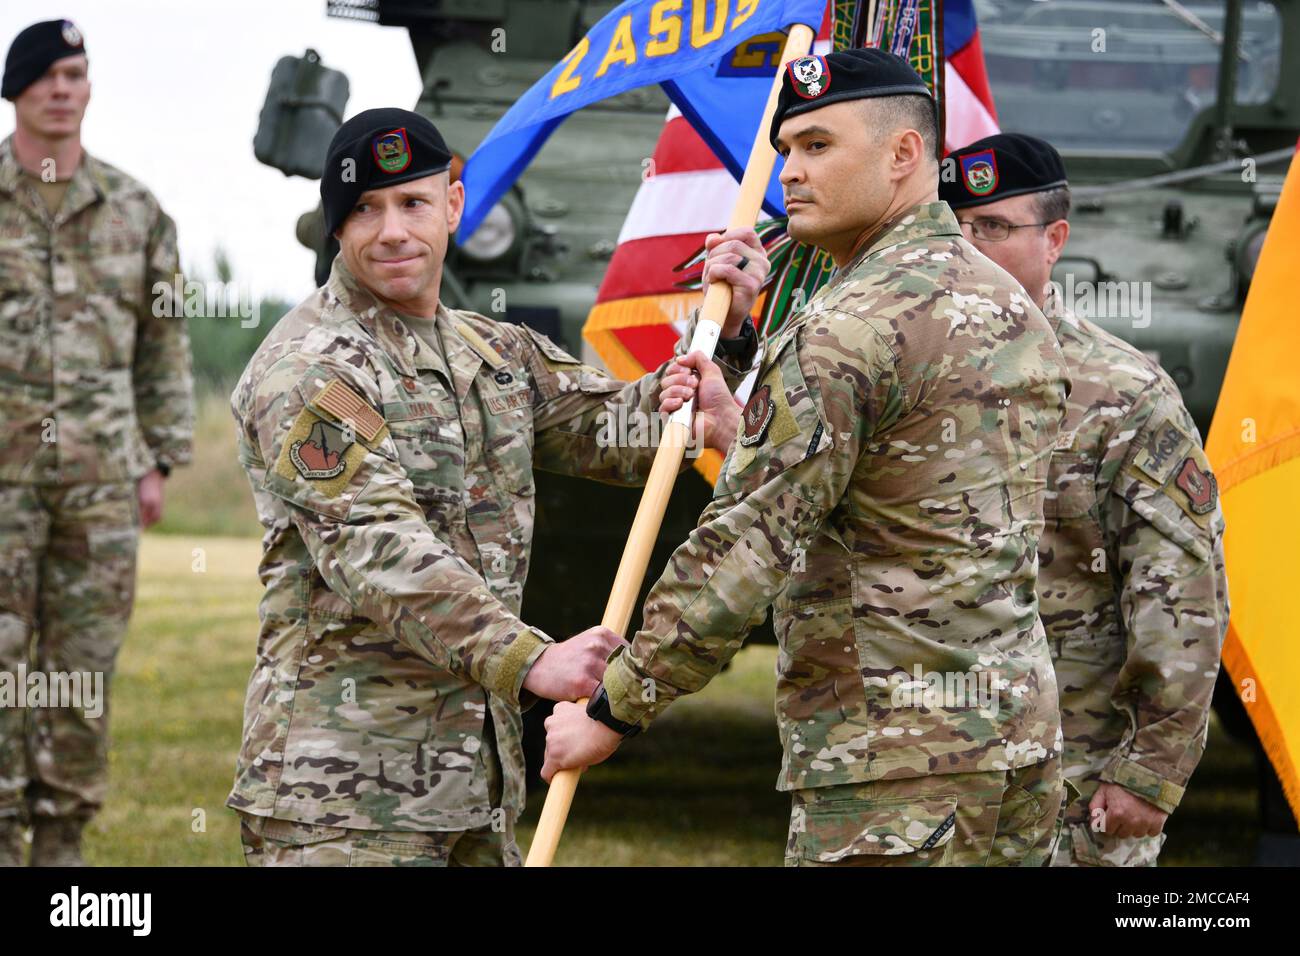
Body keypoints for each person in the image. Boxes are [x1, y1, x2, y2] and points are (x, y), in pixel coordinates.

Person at [541, 49, 1071, 866]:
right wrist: (741, 426)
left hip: (892, 763)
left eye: (819, 145)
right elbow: (911, 481)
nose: (790, 172)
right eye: (786, 149)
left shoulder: (848, 327)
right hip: (1013, 744)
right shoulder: (1005, 299)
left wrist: (611, 709)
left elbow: (740, 550)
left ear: (903, 155)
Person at [227, 108, 760, 866]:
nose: (391, 231)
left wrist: (725, 339)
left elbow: (618, 430)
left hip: (475, 785)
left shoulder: (495, 352)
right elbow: (376, 548)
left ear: (453, 204)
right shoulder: (314, 367)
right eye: (364, 211)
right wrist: (529, 659)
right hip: (345, 796)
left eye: (412, 203)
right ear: (336, 229)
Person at [937, 133, 1229, 866]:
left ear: (1055, 239)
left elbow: (1181, 596)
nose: (969, 246)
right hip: (920, 778)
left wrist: (1151, 772)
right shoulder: (890, 379)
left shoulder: (1125, 396)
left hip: (1069, 783)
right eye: (954, 227)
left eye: (996, 228)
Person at [0, 19, 193, 867]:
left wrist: (160, 459)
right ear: (16, 91)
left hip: (101, 482)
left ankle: (59, 844)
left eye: (75, 73)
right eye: (44, 75)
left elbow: (165, 343)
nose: (62, 88)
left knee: (78, 674)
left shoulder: (136, 208)